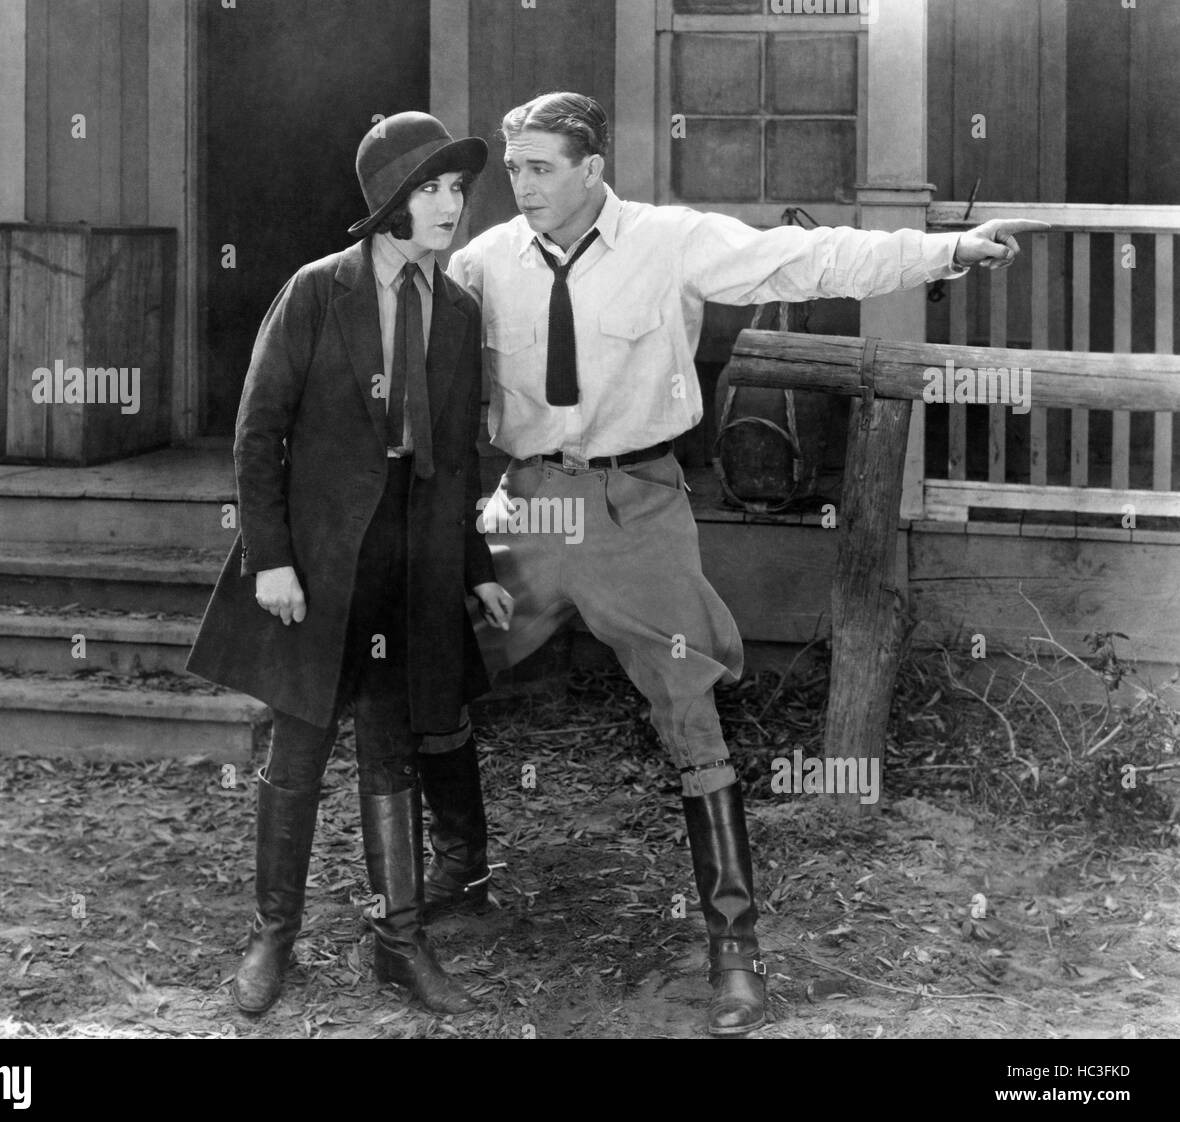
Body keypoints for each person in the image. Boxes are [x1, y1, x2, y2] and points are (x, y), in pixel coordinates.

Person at [424, 91, 1046, 1036]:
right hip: (530, 502)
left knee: (692, 714)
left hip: (639, 506)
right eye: (515, 169)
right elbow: (388, 305)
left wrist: (945, 250)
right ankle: (459, 871)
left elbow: (805, 256)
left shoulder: (668, 242)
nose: (523, 186)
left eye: (542, 167)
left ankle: (734, 950)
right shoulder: (481, 263)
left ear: (593, 168)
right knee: (435, 666)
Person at [186, 111, 514, 1018]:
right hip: (318, 567)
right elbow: (259, 434)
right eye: (433, 190)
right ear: (390, 204)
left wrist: (472, 565)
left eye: (457, 189)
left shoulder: (455, 310)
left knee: (392, 754)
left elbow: (455, 458)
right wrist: (272, 560)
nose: (453, 206)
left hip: (408, 567)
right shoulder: (314, 293)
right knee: (295, 753)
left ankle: (398, 943)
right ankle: (272, 939)